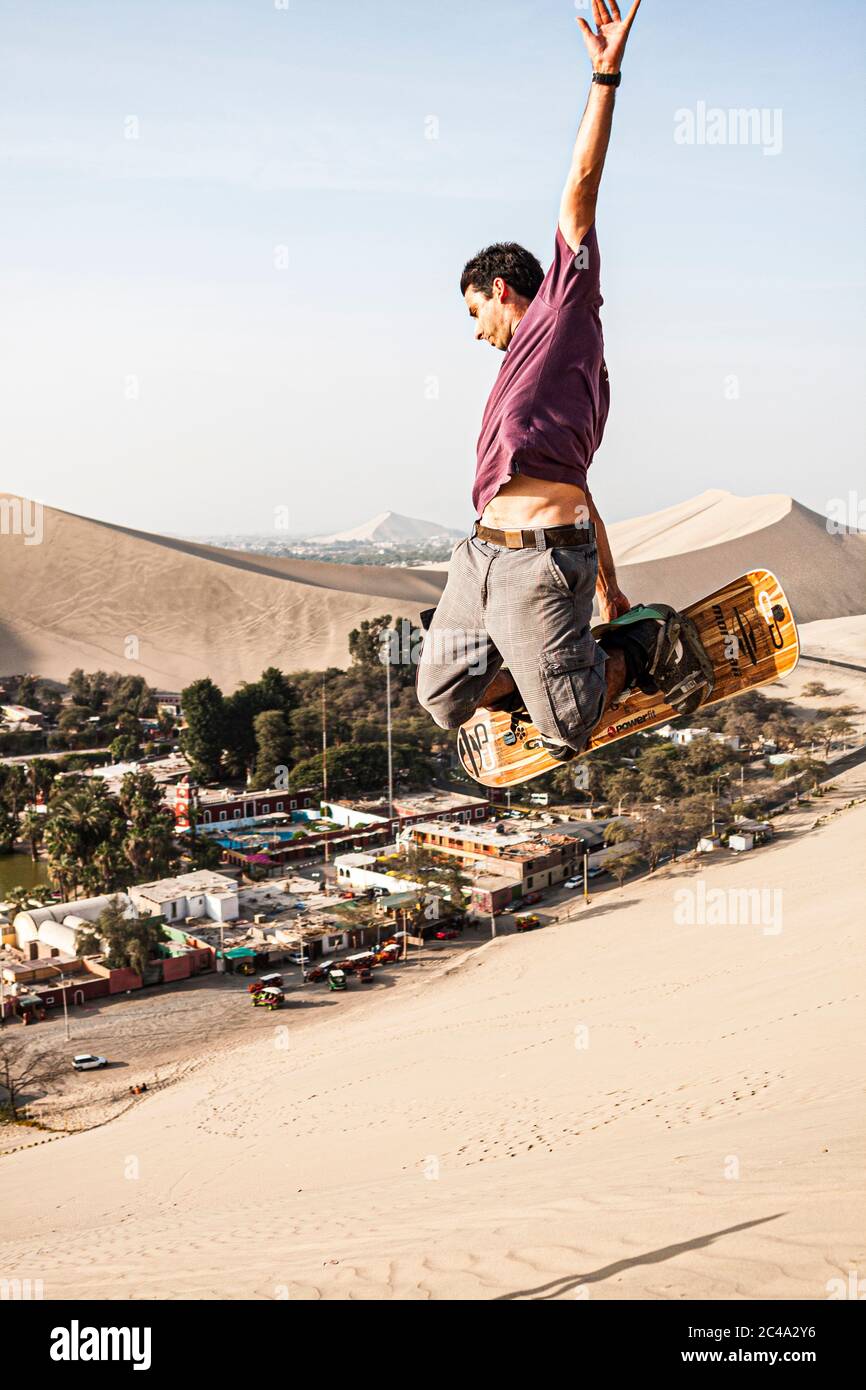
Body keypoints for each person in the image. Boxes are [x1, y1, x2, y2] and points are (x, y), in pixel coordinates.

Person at [417, 0, 710, 759]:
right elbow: (578, 484)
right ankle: (541, 660)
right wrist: (608, 583)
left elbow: (581, 184)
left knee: (567, 728)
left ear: (504, 290)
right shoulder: (521, 376)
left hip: (537, 564)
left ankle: (639, 650)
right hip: (479, 556)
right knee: (440, 697)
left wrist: (604, 75)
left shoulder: (563, 312)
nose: (474, 329)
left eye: (474, 309)